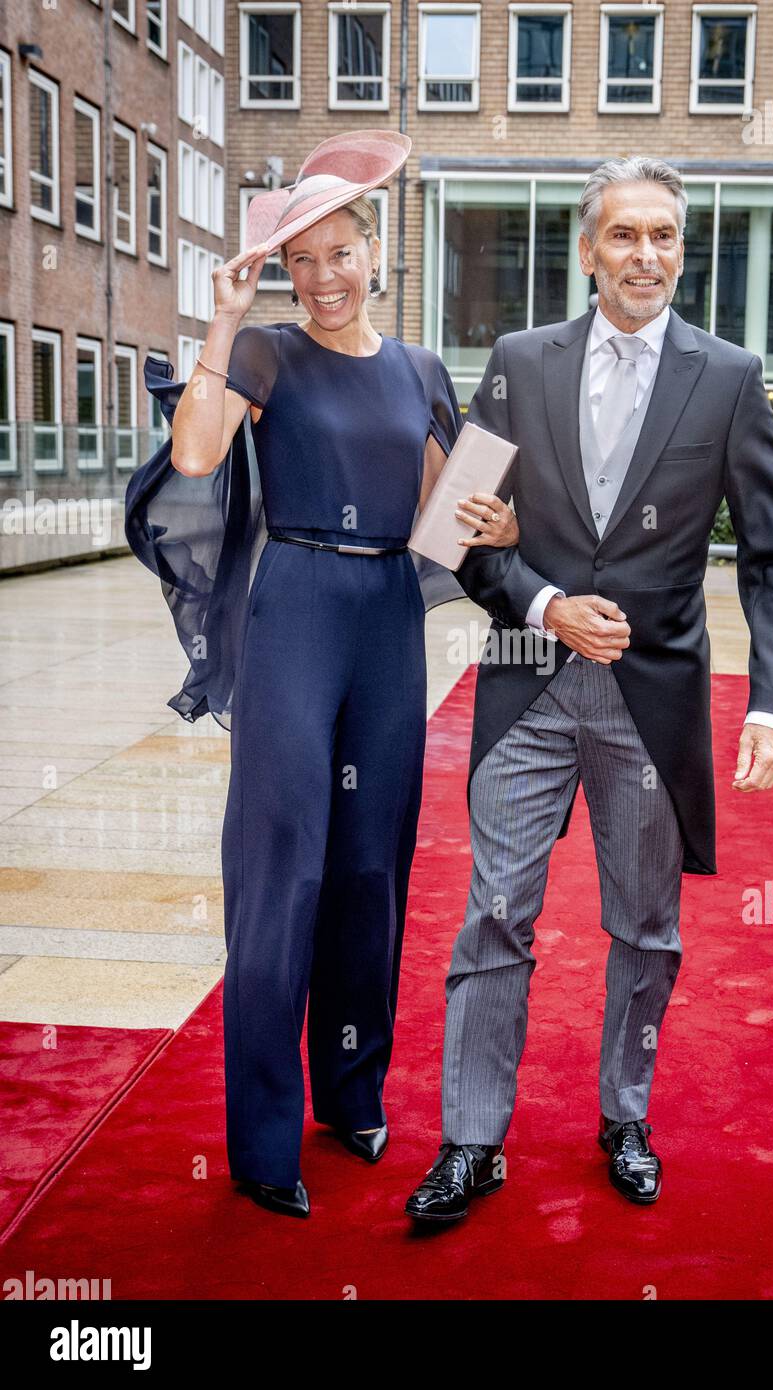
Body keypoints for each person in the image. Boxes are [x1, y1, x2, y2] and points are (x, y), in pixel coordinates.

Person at [405, 154, 773, 1223]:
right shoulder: (515, 362)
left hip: (652, 700)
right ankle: (472, 1139)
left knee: (646, 927)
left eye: (664, 237)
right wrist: (543, 605)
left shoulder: (727, 376)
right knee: (496, 914)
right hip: (524, 686)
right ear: (589, 249)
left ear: (683, 249)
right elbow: (456, 527)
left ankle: (624, 1114)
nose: (645, 254)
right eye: (624, 235)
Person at [127, 131, 517, 1220]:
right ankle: (260, 1138)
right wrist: (224, 314)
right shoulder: (265, 354)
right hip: (294, 605)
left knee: (369, 871)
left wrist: (506, 514)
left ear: (375, 253)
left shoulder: (423, 371)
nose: (322, 277)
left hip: (388, 616)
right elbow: (197, 454)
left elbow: (454, 528)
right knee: (280, 865)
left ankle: (350, 1091)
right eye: (302, 261)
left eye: (339, 253)